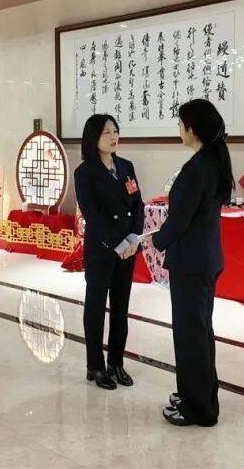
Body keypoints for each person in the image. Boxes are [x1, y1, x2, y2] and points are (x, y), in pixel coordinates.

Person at [144, 99, 233, 426]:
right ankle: (199, 395)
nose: (179, 130)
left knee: (191, 335)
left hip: (192, 263)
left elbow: (180, 219)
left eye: (181, 124)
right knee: (199, 332)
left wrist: (155, 240)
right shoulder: (212, 161)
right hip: (204, 259)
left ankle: (200, 409)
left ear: (191, 129)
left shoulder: (198, 167)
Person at [74, 114, 145, 390]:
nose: (113, 137)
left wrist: (134, 236)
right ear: (93, 137)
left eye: (115, 131)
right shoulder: (85, 172)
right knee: (95, 307)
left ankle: (116, 362)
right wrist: (118, 243)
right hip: (102, 249)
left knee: (120, 307)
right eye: (107, 132)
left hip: (128, 249)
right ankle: (95, 365)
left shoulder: (126, 166)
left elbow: (138, 205)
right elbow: (92, 214)